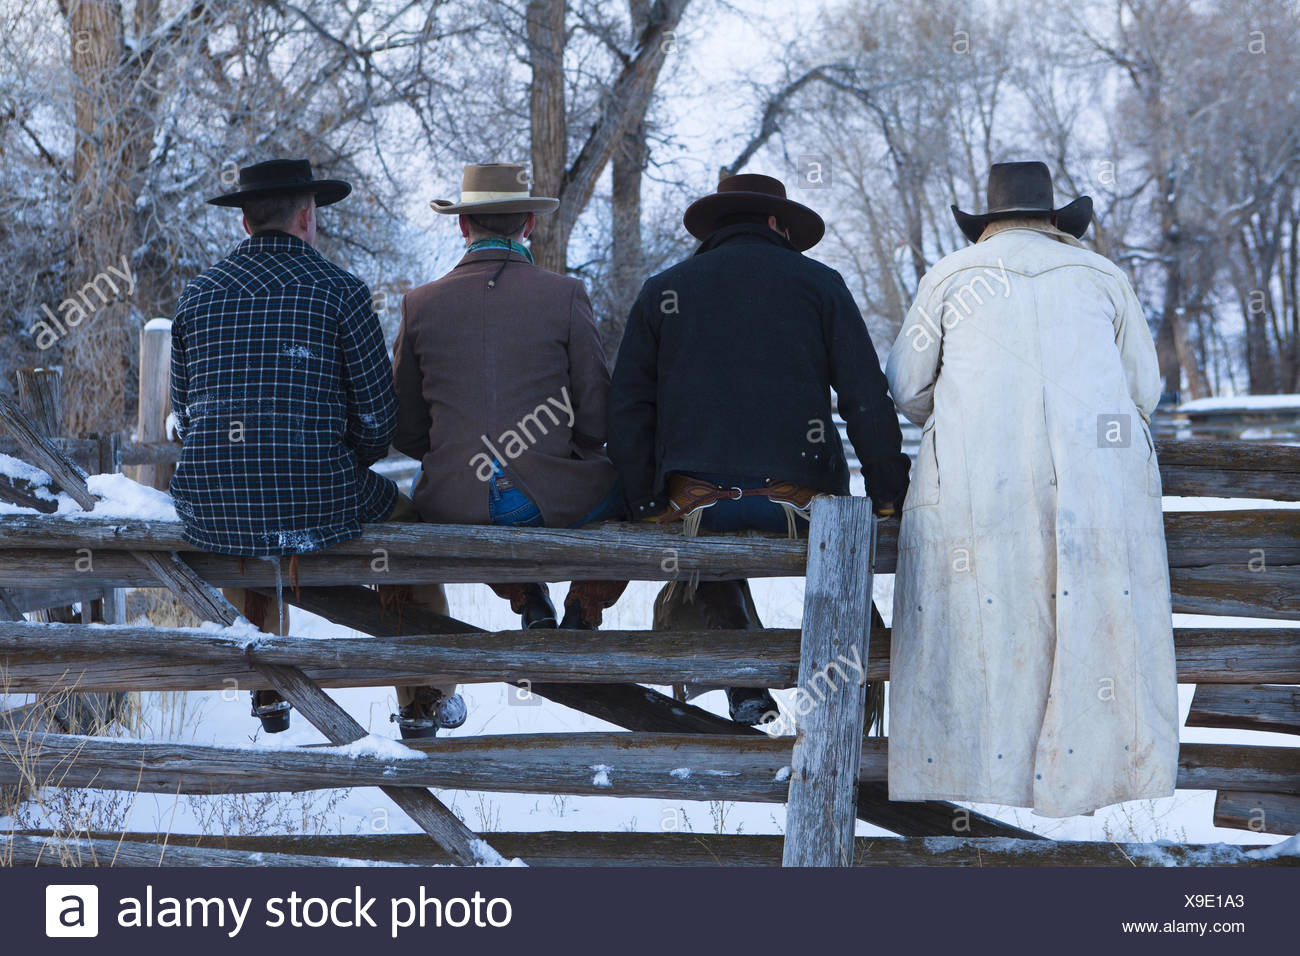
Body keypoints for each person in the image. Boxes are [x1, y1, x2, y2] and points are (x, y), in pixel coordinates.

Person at [885, 161, 1179, 816]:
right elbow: (1145, 393)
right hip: (1097, 487)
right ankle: (1101, 775)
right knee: (1094, 630)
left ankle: (968, 776)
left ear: (988, 224)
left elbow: (906, 384)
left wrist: (968, 408)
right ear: (1054, 220)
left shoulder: (950, 277)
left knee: (979, 627)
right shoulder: (1103, 276)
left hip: (976, 487)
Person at [171, 158, 463, 737]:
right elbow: (379, 419)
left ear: (245, 223)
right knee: (406, 531)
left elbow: (185, 413)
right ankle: (424, 695)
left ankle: (269, 683)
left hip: (211, 500)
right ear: (308, 215)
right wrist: (337, 459)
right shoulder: (341, 291)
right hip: (322, 491)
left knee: (244, 510)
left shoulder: (197, 295)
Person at [608, 173, 910, 725]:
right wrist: (890, 494)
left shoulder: (664, 290)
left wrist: (644, 502)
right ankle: (835, 711)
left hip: (696, 503)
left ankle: (740, 678)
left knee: (711, 527)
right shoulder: (819, 284)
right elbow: (866, 400)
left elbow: (627, 408)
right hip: (800, 503)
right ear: (776, 223)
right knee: (829, 565)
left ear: (719, 226)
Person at [392, 163, 627, 642]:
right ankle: (585, 602)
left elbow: (406, 427)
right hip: (554, 496)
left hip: (453, 504)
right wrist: (571, 445)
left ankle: (526, 593)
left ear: (462, 225)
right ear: (530, 224)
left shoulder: (418, 304)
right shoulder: (566, 295)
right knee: (631, 490)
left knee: (443, 485)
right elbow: (597, 415)